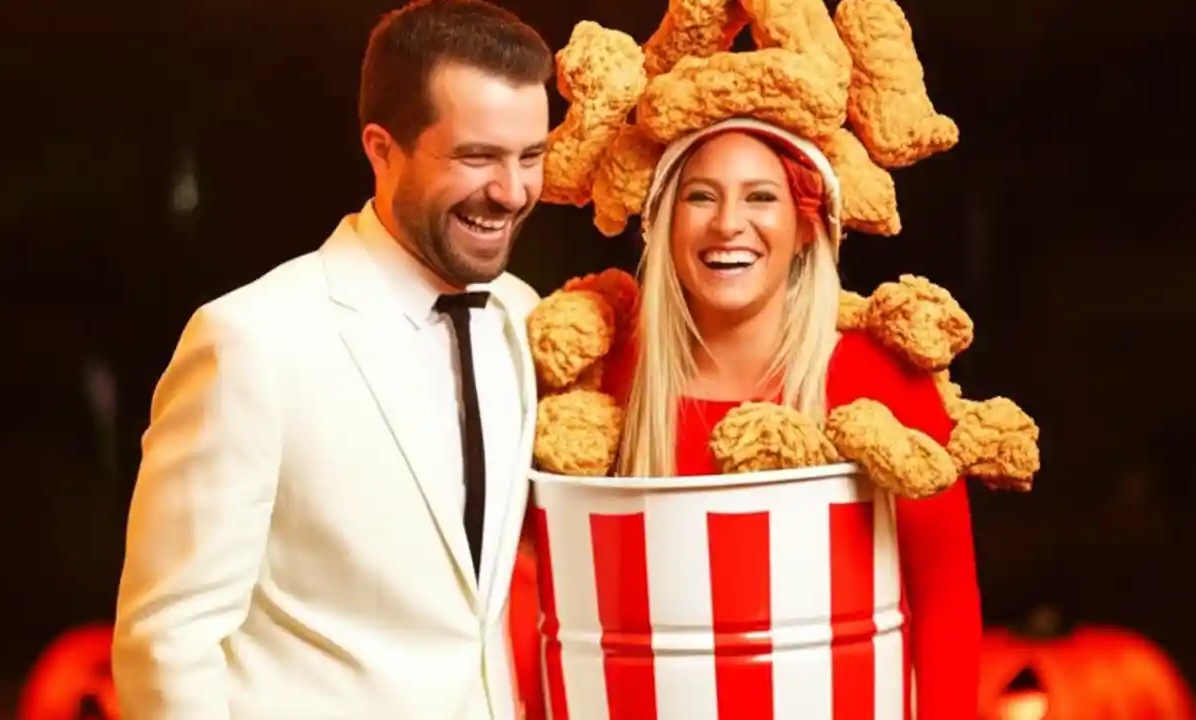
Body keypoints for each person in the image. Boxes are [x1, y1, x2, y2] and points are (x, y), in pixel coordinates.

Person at [110, 1, 552, 717]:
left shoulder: (522, 315)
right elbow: (167, 641)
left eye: (530, 156)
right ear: (382, 149)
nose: (512, 191)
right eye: (477, 157)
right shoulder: (250, 341)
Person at [609, 117, 982, 718]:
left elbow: (946, 601)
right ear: (663, 221)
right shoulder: (616, 380)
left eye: (761, 196)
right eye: (700, 196)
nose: (728, 223)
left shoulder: (880, 379)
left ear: (808, 227)